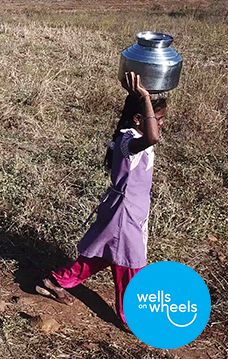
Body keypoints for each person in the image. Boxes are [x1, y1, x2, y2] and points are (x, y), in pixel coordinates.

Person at [37, 71, 167, 330]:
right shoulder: (128, 141)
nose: (160, 124)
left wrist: (146, 94)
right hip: (124, 214)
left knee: (104, 254)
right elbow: (153, 136)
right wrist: (145, 96)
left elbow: (151, 134)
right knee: (130, 264)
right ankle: (132, 316)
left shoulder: (136, 136)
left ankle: (56, 281)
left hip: (131, 211)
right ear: (138, 119)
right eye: (157, 118)